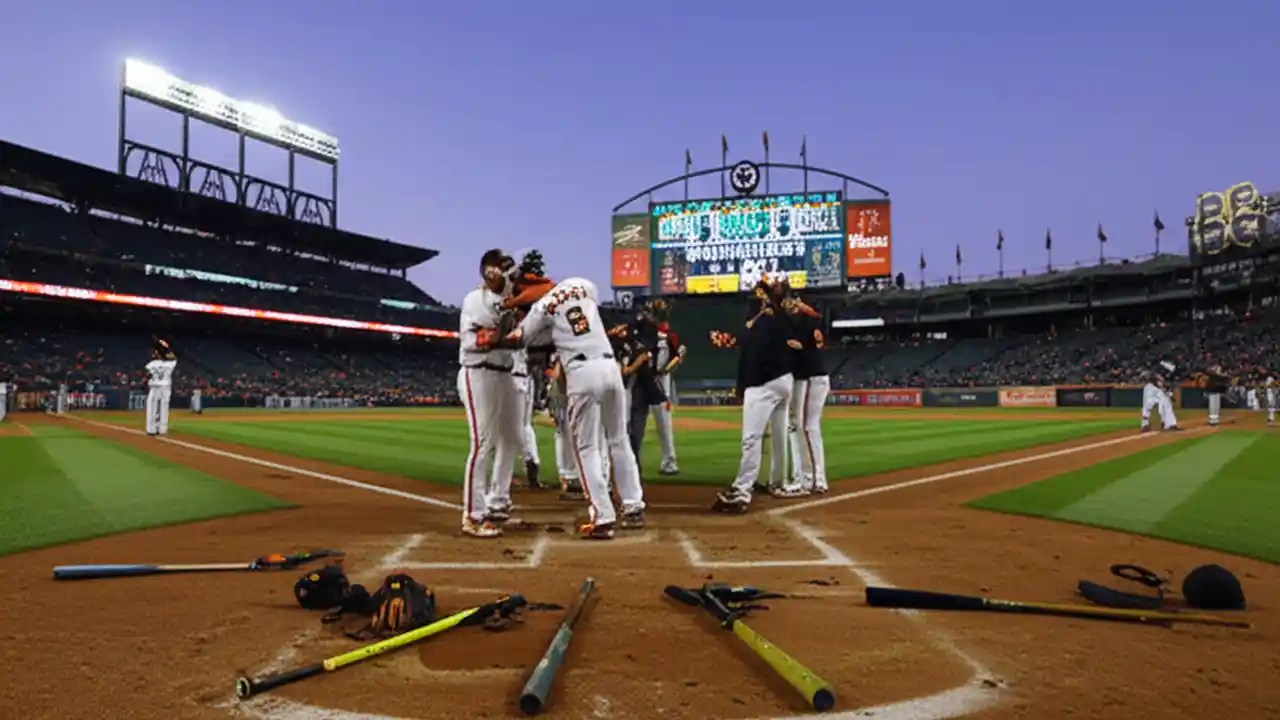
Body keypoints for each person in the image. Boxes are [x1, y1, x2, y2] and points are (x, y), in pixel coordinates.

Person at [506, 276, 645, 539]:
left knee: (586, 448)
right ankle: (633, 506)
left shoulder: (542, 306)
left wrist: (503, 331)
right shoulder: (582, 284)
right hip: (610, 367)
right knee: (619, 440)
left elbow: (518, 337)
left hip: (582, 373)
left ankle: (603, 516)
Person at [712, 278, 804, 513]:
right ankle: (778, 482)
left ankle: (742, 491)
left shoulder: (762, 322)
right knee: (779, 436)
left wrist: (730, 341)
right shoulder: (781, 320)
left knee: (751, 439)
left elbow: (747, 348)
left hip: (764, 383)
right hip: (785, 381)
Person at [457, 249, 524, 539]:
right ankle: (473, 515)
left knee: (512, 437)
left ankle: (497, 503)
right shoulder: (476, 300)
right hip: (478, 372)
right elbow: (482, 340)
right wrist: (510, 327)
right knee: (482, 443)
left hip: (504, 374)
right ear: (490, 273)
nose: (511, 276)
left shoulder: (514, 297)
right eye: (505, 271)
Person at [779, 292, 831, 495]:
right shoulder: (795, 321)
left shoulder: (806, 321)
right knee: (799, 427)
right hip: (805, 377)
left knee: (807, 427)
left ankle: (813, 479)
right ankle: (805, 477)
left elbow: (814, 343)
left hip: (811, 377)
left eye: (793, 300)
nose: (790, 304)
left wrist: (802, 347)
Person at [650, 302, 686, 476]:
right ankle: (669, 462)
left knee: (663, 424)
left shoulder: (670, 335)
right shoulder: (649, 333)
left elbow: (677, 359)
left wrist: (666, 369)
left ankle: (670, 462)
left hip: (659, 381)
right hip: (646, 379)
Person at [144, 340, 178, 436]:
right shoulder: (170, 364)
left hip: (155, 387)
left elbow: (146, 375)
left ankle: (151, 429)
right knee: (164, 407)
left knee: (152, 407)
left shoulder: (150, 365)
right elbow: (173, 357)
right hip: (166, 387)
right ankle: (163, 428)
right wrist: (166, 348)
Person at [1139, 362, 1179, 432]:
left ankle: (1170, 424)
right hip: (1151, 389)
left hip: (1159, 390)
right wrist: (1169, 393)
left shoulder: (1167, 375)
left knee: (1166, 405)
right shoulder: (1156, 371)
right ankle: (1145, 425)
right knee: (1147, 407)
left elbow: (1165, 385)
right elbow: (1157, 382)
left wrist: (1170, 394)